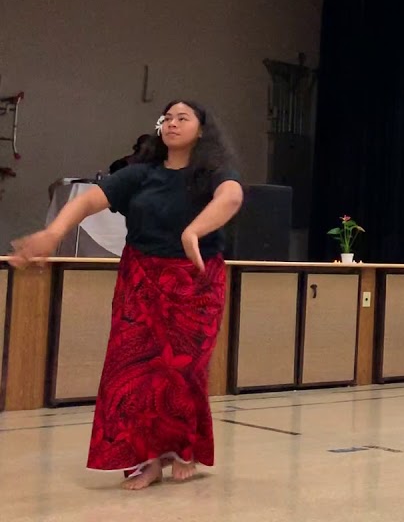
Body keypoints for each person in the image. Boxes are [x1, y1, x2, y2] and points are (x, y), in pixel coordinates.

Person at [10, 101, 243, 490]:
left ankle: (181, 446)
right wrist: (52, 233)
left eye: (182, 118)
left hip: (195, 282)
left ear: (202, 130)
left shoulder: (213, 174)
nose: (171, 123)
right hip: (141, 280)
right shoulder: (140, 175)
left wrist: (193, 231)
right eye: (167, 118)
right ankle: (147, 458)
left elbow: (231, 198)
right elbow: (86, 200)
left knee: (181, 370)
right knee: (132, 372)